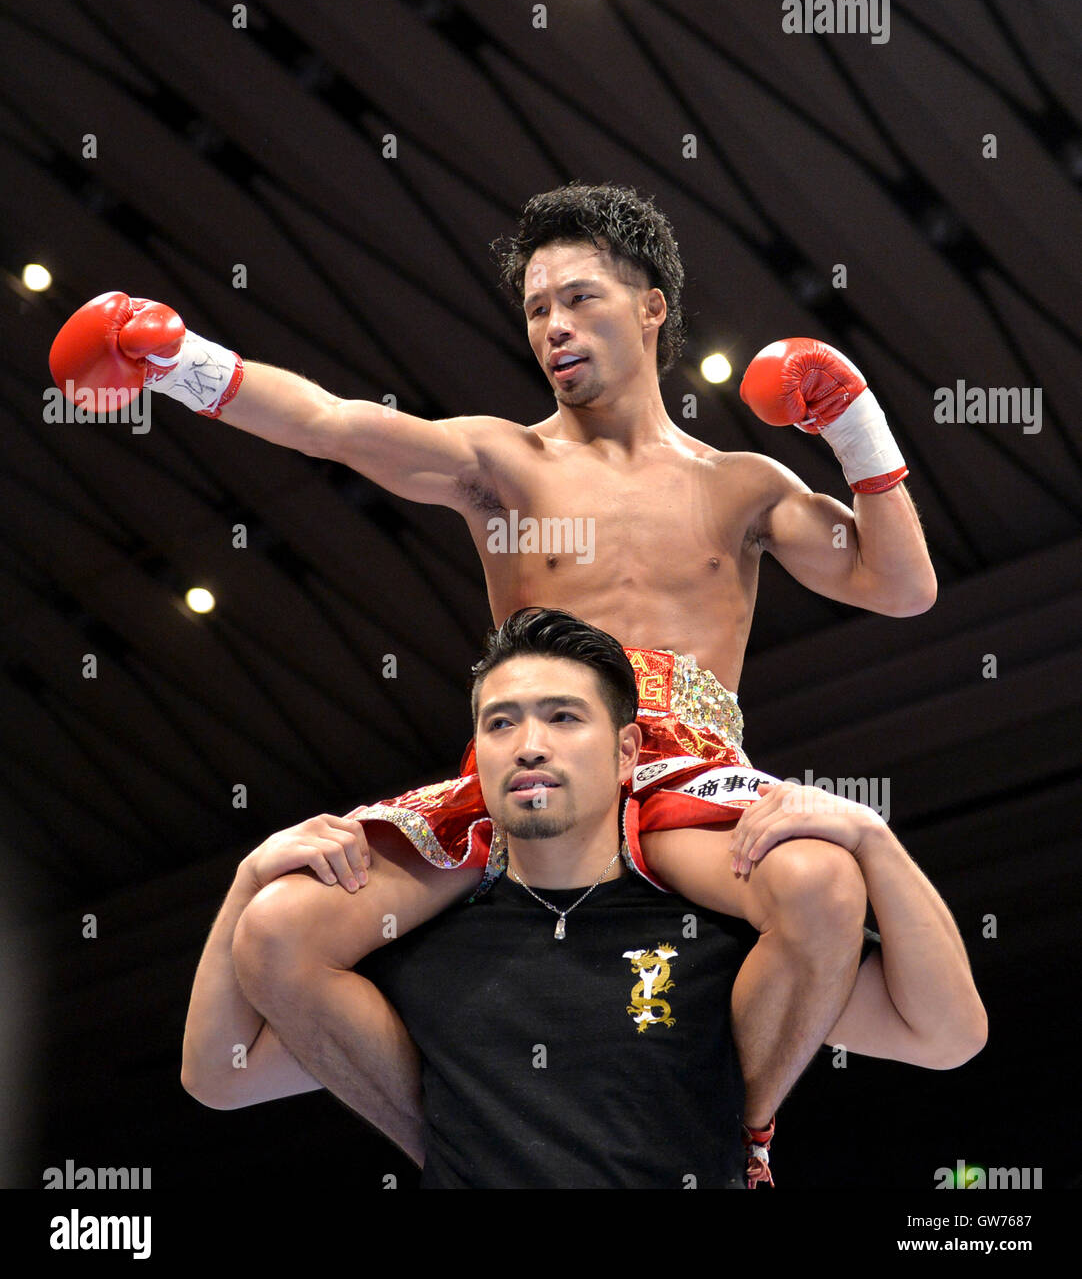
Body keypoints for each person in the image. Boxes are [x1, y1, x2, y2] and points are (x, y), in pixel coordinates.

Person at [54, 182, 938, 1171]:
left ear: (651, 306)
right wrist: (176, 359)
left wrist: (855, 426)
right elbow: (330, 425)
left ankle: (741, 1135)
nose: (553, 326)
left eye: (579, 299)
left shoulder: (743, 484)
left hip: (685, 777)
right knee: (282, 930)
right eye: (535, 309)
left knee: (820, 885)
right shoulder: (498, 463)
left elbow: (897, 587)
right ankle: (457, 1154)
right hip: (531, 773)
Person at [182, 609, 986, 1188]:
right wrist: (247, 880)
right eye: (502, 723)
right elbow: (220, 1076)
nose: (529, 742)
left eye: (563, 717)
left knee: (824, 877)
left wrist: (876, 843)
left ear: (629, 749)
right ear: (478, 755)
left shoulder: (720, 931)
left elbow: (947, 1035)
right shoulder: (411, 947)